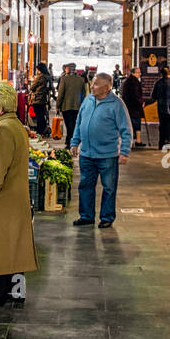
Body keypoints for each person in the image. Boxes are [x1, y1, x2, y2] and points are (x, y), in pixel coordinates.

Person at [0, 81, 39, 308]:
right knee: (14, 246)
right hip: (12, 198)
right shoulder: (13, 125)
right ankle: (15, 291)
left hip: (1, 199)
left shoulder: (2, 128)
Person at [69, 72, 132, 229]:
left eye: (96, 84)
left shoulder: (116, 104)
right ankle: (86, 216)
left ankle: (106, 217)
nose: (92, 86)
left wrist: (124, 152)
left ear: (107, 88)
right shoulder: (88, 100)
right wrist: (74, 142)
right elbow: (79, 122)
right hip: (86, 154)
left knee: (109, 188)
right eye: (92, 83)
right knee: (85, 185)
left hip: (107, 155)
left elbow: (126, 130)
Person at [151, 65, 170, 149]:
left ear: (161, 73)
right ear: (169, 73)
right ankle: (169, 143)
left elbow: (153, 96)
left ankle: (161, 144)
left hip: (161, 108)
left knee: (162, 125)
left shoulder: (158, 83)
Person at [56, 63, 85, 148]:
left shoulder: (64, 79)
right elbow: (83, 94)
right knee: (74, 124)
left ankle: (70, 142)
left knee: (69, 125)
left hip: (66, 106)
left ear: (68, 69)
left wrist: (58, 105)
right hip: (77, 106)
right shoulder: (81, 80)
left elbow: (61, 94)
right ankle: (72, 141)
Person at [121, 66, 145, 149]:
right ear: (133, 73)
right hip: (134, 107)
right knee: (136, 123)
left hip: (128, 106)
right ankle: (137, 141)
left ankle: (133, 141)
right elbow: (136, 95)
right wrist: (141, 102)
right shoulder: (134, 82)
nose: (140, 74)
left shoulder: (127, 81)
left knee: (130, 124)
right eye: (138, 72)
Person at [27, 62, 52, 137]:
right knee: (42, 115)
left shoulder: (40, 77)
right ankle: (44, 129)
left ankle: (40, 130)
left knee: (38, 116)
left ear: (40, 70)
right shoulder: (48, 77)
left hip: (37, 98)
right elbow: (50, 88)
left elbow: (32, 87)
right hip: (44, 99)